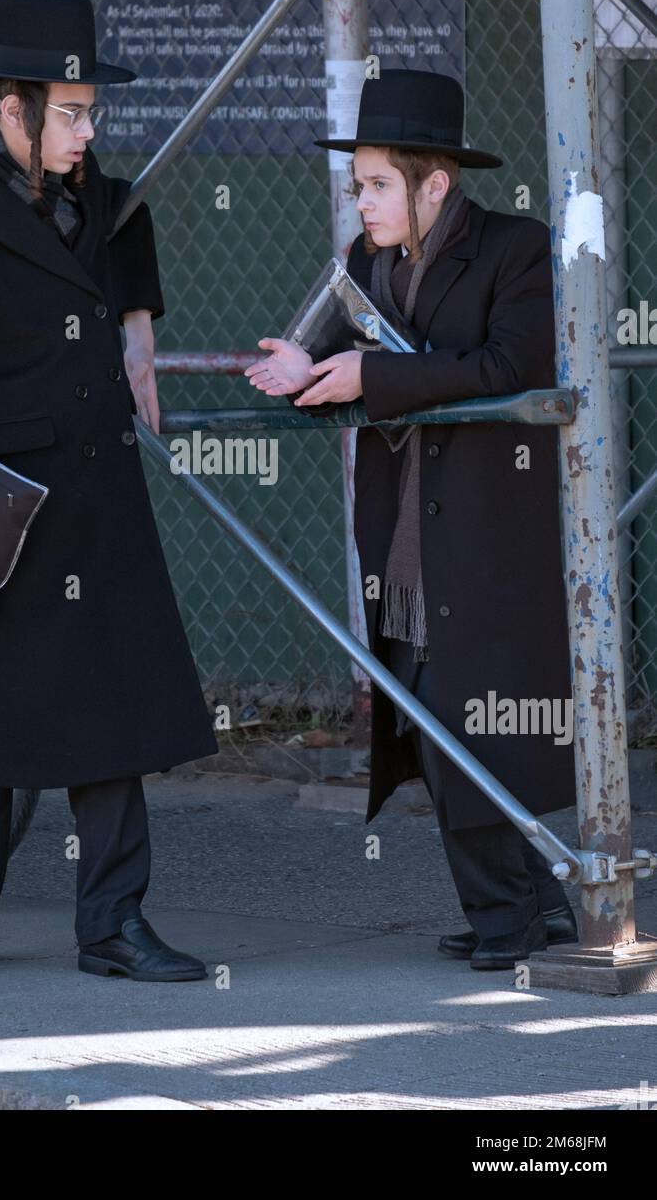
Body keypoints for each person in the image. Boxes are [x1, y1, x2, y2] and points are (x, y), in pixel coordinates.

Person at [0, 0, 217, 984]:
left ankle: (112, 925)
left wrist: (138, 315)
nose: (87, 131)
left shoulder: (86, 191)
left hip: (98, 496)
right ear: (7, 109)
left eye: (92, 112)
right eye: (70, 114)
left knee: (114, 714)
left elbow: (124, 216)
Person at [245, 68, 578, 970]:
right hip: (400, 540)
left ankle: (511, 923)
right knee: (433, 723)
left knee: (454, 726)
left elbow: (513, 364)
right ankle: (535, 908)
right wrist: (299, 374)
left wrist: (372, 378)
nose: (363, 202)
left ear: (436, 184)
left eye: (379, 184)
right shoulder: (364, 263)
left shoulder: (516, 249)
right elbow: (341, 369)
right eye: (358, 185)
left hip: (484, 539)